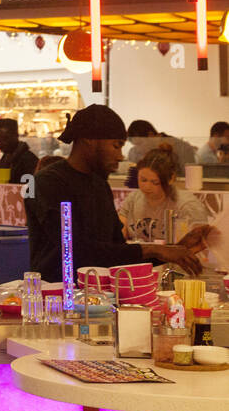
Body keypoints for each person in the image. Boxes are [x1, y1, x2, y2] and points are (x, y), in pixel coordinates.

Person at [25, 105, 213, 283]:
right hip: (54, 301)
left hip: (100, 300)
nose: (121, 156)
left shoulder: (99, 185)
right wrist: (154, 249)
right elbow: (76, 250)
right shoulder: (47, 183)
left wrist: (176, 249)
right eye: (116, 146)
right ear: (89, 139)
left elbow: (117, 255)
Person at [118, 147, 210, 243]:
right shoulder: (133, 199)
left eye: (155, 182)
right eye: (143, 180)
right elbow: (119, 235)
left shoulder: (188, 205)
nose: (147, 187)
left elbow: (199, 247)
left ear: (171, 179)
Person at [0, 118, 39, 185]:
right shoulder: (5, 157)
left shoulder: (29, 160)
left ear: (16, 136)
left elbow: (30, 190)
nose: (0, 144)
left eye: (5, 139)